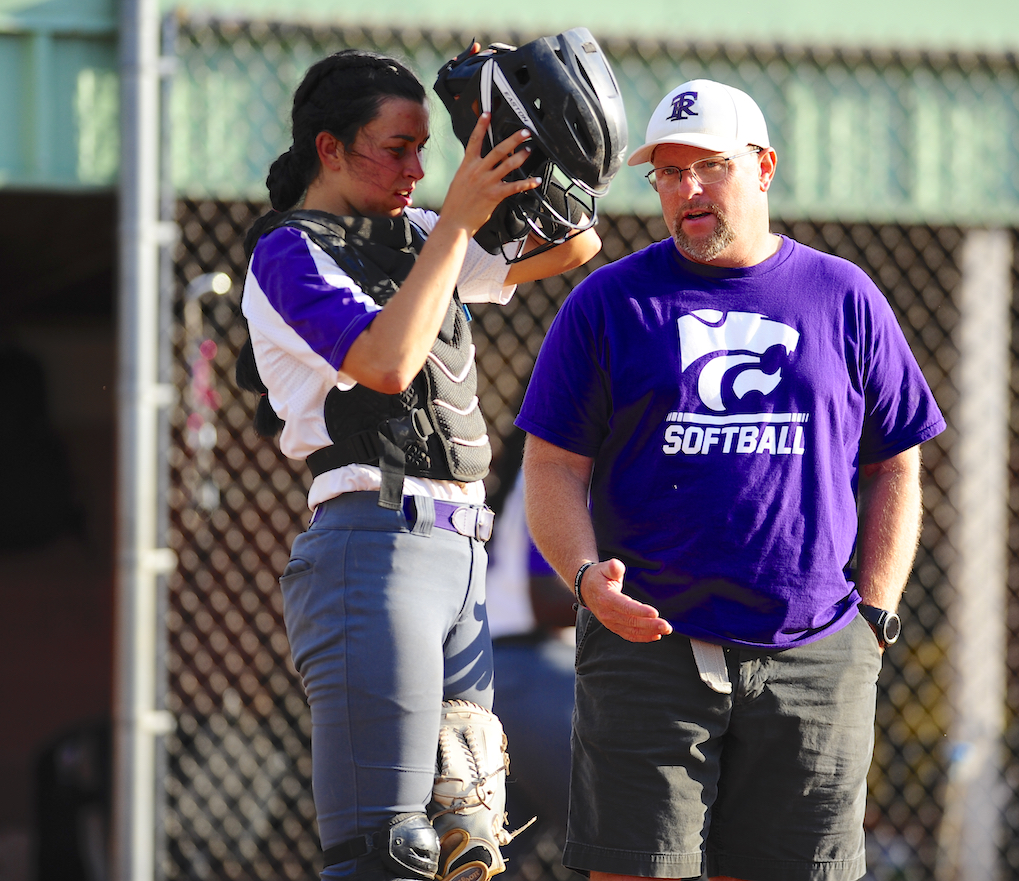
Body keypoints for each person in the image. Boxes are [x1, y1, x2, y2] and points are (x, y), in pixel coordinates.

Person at [517, 79, 947, 881]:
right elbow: (551, 465)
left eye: (707, 167)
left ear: (764, 167)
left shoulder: (843, 298)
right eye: (668, 176)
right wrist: (584, 581)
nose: (687, 192)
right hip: (649, 646)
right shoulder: (608, 303)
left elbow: (897, 460)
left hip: (817, 652)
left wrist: (876, 614)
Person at [238, 49, 601, 881]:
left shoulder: (418, 234)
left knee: (471, 839)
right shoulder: (288, 253)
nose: (419, 168)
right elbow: (390, 362)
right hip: (372, 545)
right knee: (391, 852)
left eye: (425, 146)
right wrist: (456, 223)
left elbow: (574, 242)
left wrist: (518, 128)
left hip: (459, 553)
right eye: (395, 147)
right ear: (329, 150)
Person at [486, 463, 576, 866]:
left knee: (485, 863)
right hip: (526, 668)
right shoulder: (562, 463)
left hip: (523, 675)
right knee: (635, 843)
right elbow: (548, 599)